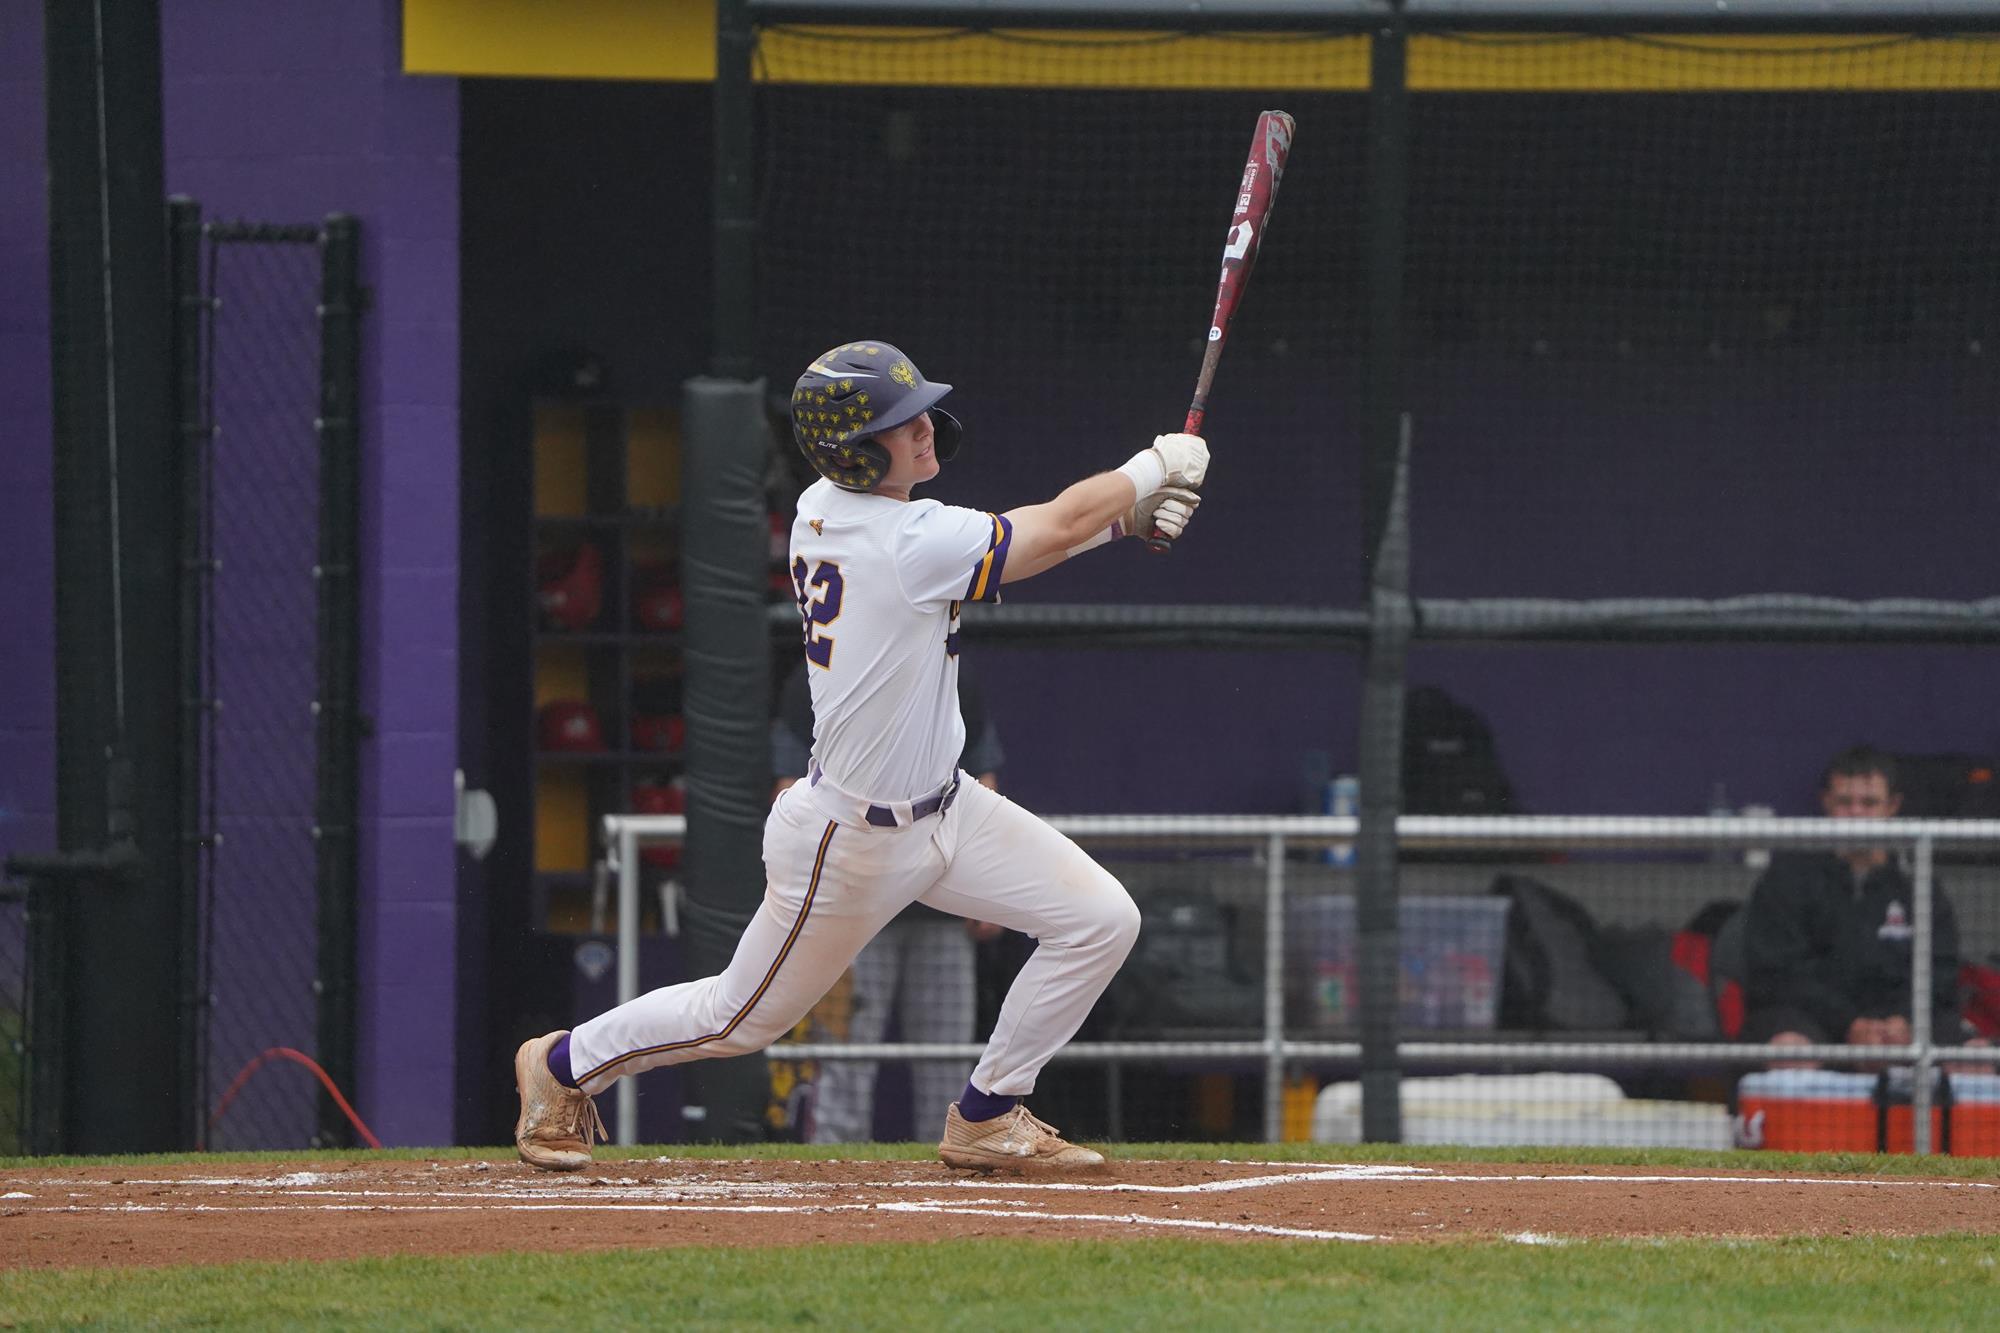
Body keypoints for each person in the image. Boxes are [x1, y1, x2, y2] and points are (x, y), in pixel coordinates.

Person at [514, 339, 1205, 1171]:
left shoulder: (827, 507)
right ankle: (559, 1065)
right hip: (850, 841)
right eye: (899, 423)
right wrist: (1150, 466)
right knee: (739, 1020)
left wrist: (1123, 521)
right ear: (854, 448)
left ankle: (988, 1112)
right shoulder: (904, 536)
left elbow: (1027, 546)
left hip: (948, 808)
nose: (923, 433)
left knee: (1100, 919)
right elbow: (1048, 524)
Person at [769, 659, 1005, 1144]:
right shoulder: (823, 668)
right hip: (858, 906)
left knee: (945, 1059)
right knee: (844, 1061)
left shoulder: (950, 669)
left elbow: (982, 780)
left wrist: (986, 889)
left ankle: (949, 1169)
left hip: (938, 901)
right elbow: (789, 788)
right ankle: (831, 1180)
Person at [1742, 745, 1982, 1069]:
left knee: (1975, 1058)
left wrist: (1902, 1022)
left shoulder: (1919, 885)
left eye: (1869, 803)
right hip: (1816, 1021)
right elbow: (1779, 977)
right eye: (1845, 802)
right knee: (1790, 1051)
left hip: (1904, 1027)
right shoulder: (1786, 879)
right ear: (1826, 802)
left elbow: (1940, 977)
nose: (1856, 813)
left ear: (1892, 806)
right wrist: (1850, 1024)